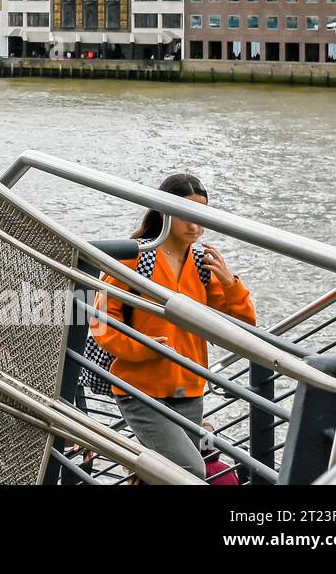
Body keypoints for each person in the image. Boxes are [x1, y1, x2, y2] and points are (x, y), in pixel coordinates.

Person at [90, 173, 256, 480]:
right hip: (140, 390)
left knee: (161, 477)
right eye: (185, 216)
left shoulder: (203, 263)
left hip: (190, 389)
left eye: (200, 216)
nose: (195, 226)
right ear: (164, 212)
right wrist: (147, 347)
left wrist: (228, 282)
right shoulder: (136, 257)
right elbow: (101, 323)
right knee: (189, 471)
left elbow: (243, 328)